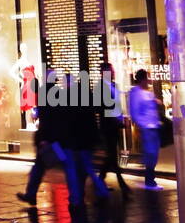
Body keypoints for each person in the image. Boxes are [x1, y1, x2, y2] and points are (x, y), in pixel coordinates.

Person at [17, 74, 69, 210]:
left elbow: (45, 118)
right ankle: (31, 194)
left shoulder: (45, 94)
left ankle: (31, 194)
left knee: (41, 167)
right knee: (63, 165)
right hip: (56, 138)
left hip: (49, 138)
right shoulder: (58, 94)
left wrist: (43, 138)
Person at [61, 73, 109, 209]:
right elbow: (92, 117)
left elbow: (68, 122)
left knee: (73, 169)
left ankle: (76, 198)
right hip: (86, 139)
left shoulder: (67, 98)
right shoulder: (85, 94)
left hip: (74, 140)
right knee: (87, 168)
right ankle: (100, 190)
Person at [96, 62, 131, 196]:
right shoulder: (101, 88)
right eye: (110, 70)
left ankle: (100, 180)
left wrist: (121, 118)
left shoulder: (113, 86)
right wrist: (115, 119)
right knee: (111, 155)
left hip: (114, 124)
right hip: (108, 126)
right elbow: (102, 109)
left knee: (111, 156)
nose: (113, 72)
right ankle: (121, 183)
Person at [128, 69, 163, 189]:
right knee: (151, 153)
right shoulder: (136, 93)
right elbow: (135, 112)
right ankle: (149, 180)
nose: (149, 80)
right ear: (142, 79)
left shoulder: (146, 92)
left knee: (154, 153)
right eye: (147, 78)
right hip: (147, 128)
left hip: (154, 126)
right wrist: (143, 125)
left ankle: (151, 179)